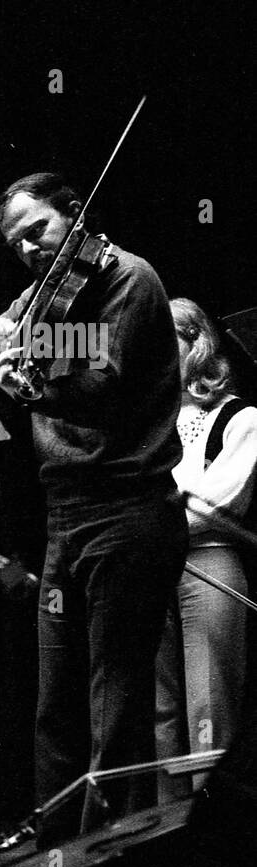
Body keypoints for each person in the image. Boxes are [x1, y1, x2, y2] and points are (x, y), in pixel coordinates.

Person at [0, 172, 186, 845]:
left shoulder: (130, 280)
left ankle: (107, 862)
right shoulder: (44, 294)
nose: (29, 247)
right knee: (55, 704)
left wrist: (27, 380)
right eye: (16, 241)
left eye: (39, 230)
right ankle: (53, 854)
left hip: (128, 512)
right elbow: (3, 334)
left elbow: (100, 382)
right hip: (65, 516)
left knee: (114, 702)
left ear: (74, 213)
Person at [156, 297, 257, 796]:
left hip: (207, 560)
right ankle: (162, 829)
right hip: (151, 564)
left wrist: (147, 511)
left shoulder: (240, 417)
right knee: (161, 707)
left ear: (195, 341)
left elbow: (217, 502)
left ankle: (209, 827)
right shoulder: (145, 421)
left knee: (209, 702)